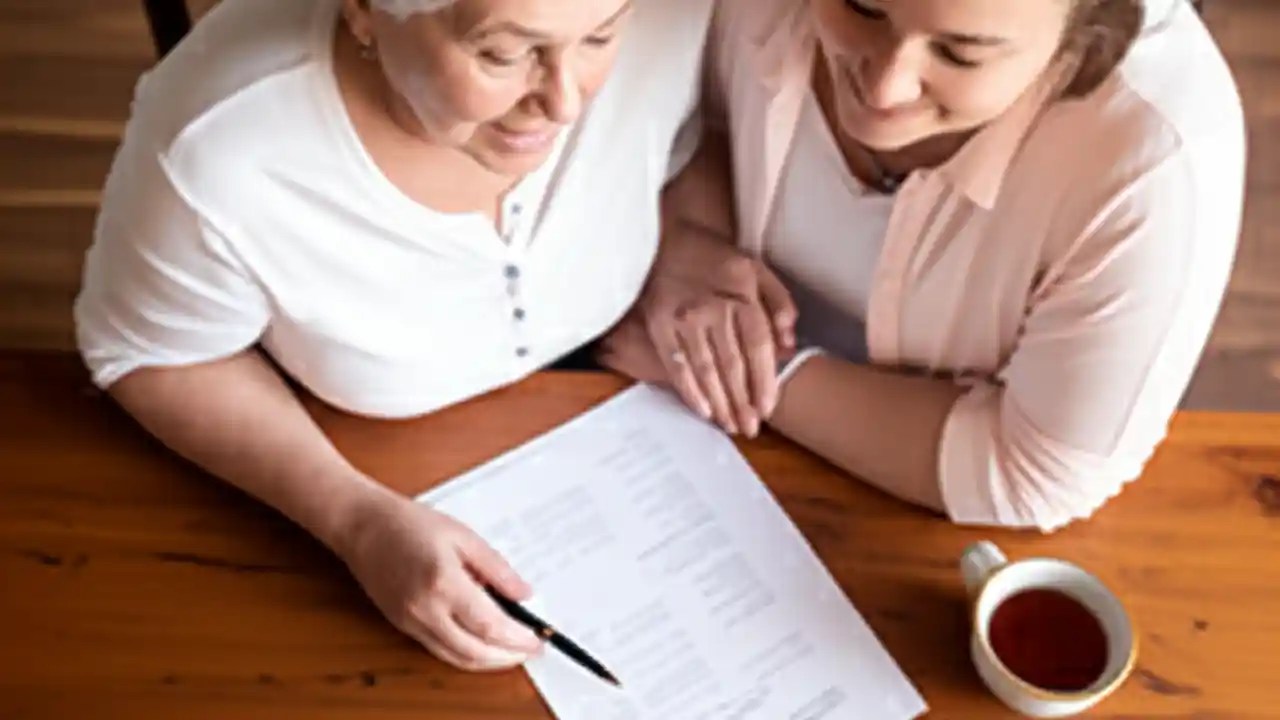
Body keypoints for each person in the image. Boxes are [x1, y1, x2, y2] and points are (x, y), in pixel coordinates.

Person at [73, 0, 711, 671]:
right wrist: (355, 519)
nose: (561, 103)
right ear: (365, 12)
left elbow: (726, 117)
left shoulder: (679, 14)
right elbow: (153, 355)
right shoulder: (219, 146)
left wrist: (691, 232)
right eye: (501, 54)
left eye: (601, 36)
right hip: (366, 463)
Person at [599, 0, 1246, 532]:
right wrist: (690, 238)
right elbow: (691, 112)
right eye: (862, 7)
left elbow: (1039, 471)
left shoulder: (1157, 163)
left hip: (915, 523)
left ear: (1083, 37)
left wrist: (758, 379)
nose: (884, 87)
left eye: (962, 54)